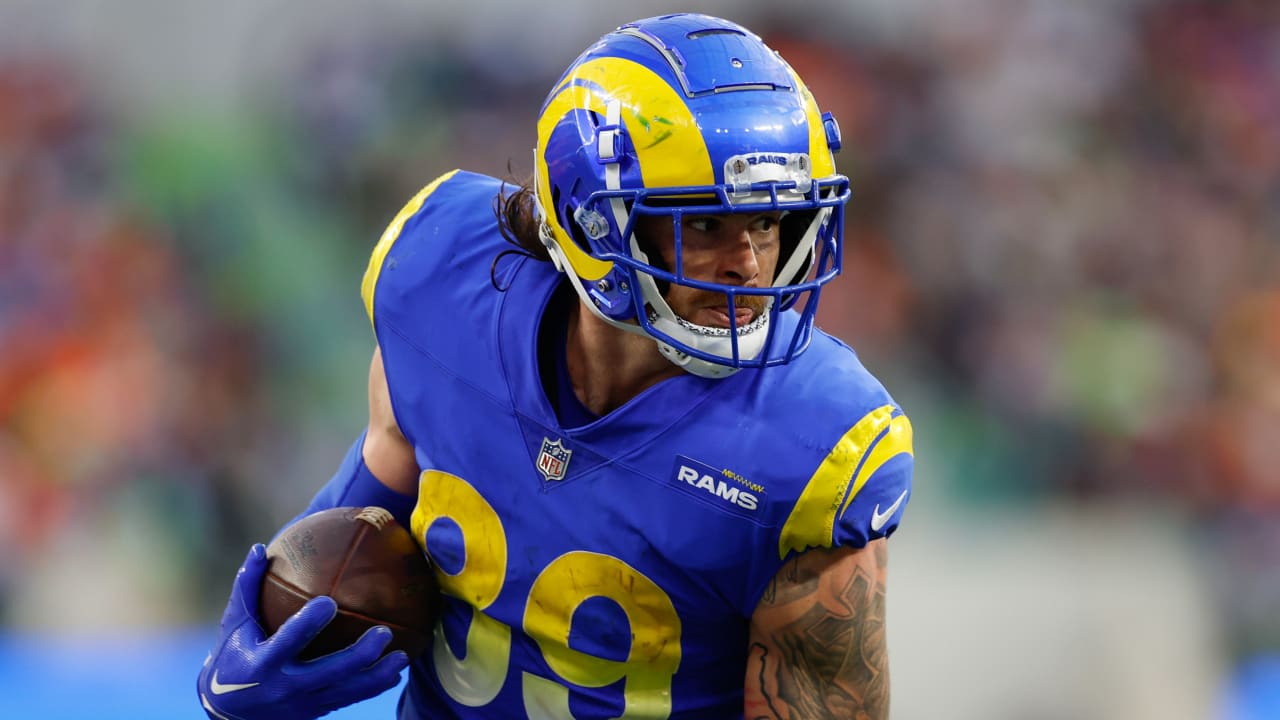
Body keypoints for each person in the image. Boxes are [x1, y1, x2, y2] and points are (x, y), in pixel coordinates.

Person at [197, 12, 914, 720]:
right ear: (587, 221)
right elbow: (364, 513)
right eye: (703, 224)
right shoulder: (442, 282)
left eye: (768, 221)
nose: (750, 265)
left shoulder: (814, 443)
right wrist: (269, 632)